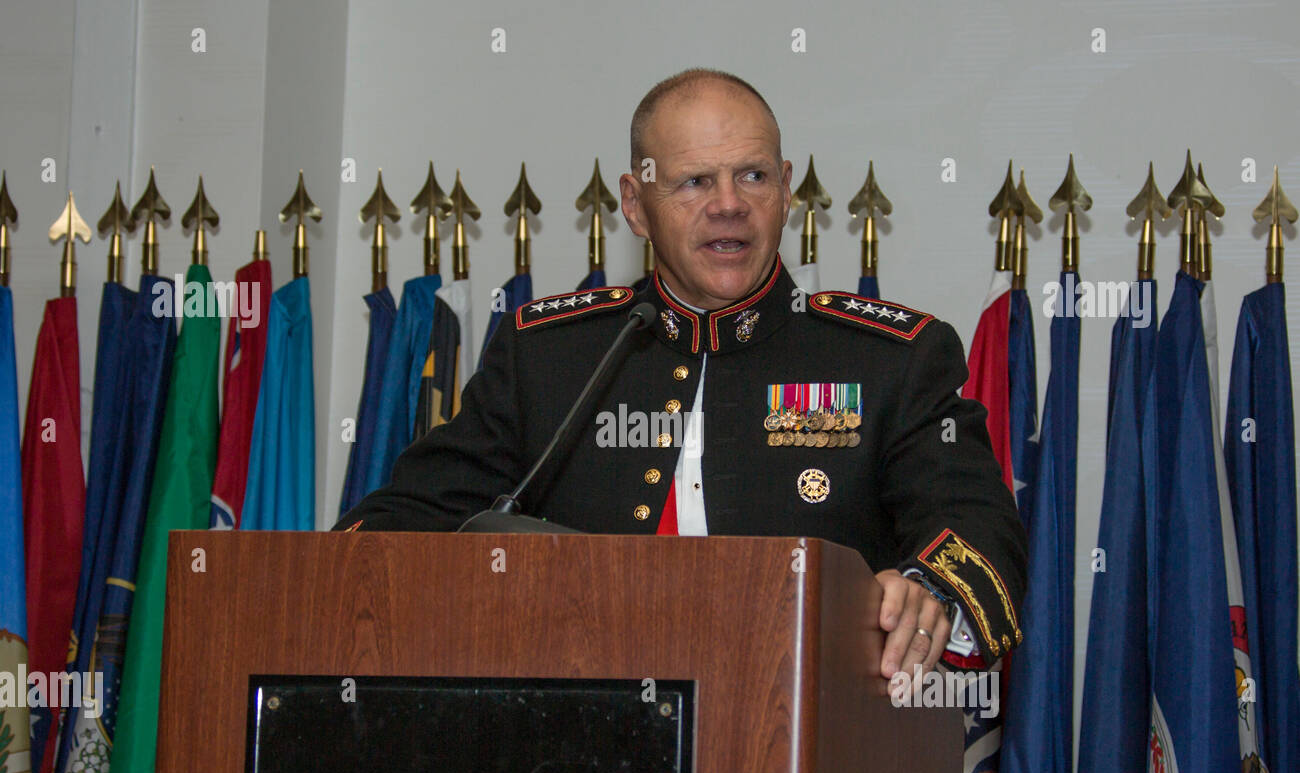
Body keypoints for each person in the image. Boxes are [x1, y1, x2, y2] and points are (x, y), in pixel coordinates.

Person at [337, 68, 1027, 684]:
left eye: (753, 176)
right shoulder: (548, 356)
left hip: (807, 749)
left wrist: (925, 591)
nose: (728, 203)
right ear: (635, 205)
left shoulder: (890, 357)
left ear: (787, 190)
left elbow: (978, 527)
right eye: (695, 181)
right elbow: (399, 523)